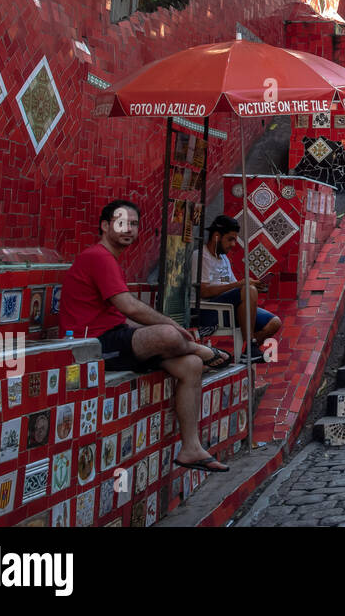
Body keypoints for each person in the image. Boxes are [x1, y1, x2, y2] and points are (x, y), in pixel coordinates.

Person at [61, 199, 231, 473]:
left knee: (191, 366)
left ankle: (190, 448)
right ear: (104, 226)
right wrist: (171, 327)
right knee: (168, 334)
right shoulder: (98, 257)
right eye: (120, 222)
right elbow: (128, 306)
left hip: (114, 337)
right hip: (91, 346)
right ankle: (201, 349)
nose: (128, 229)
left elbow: (120, 317)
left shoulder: (108, 259)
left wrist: (155, 333)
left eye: (133, 224)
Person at [198, 214, 281, 363]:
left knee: (275, 322)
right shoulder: (201, 256)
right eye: (230, 239)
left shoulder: (223, 258)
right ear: (216, 236)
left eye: (234, 240)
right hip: (211, 311)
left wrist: (255, 286)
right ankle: (250, 347)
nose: (233, 244)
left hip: (231, 308)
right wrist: (241, 285)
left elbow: (238, 289)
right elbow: (203, 291)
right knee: (248, 289)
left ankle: (250, 349)